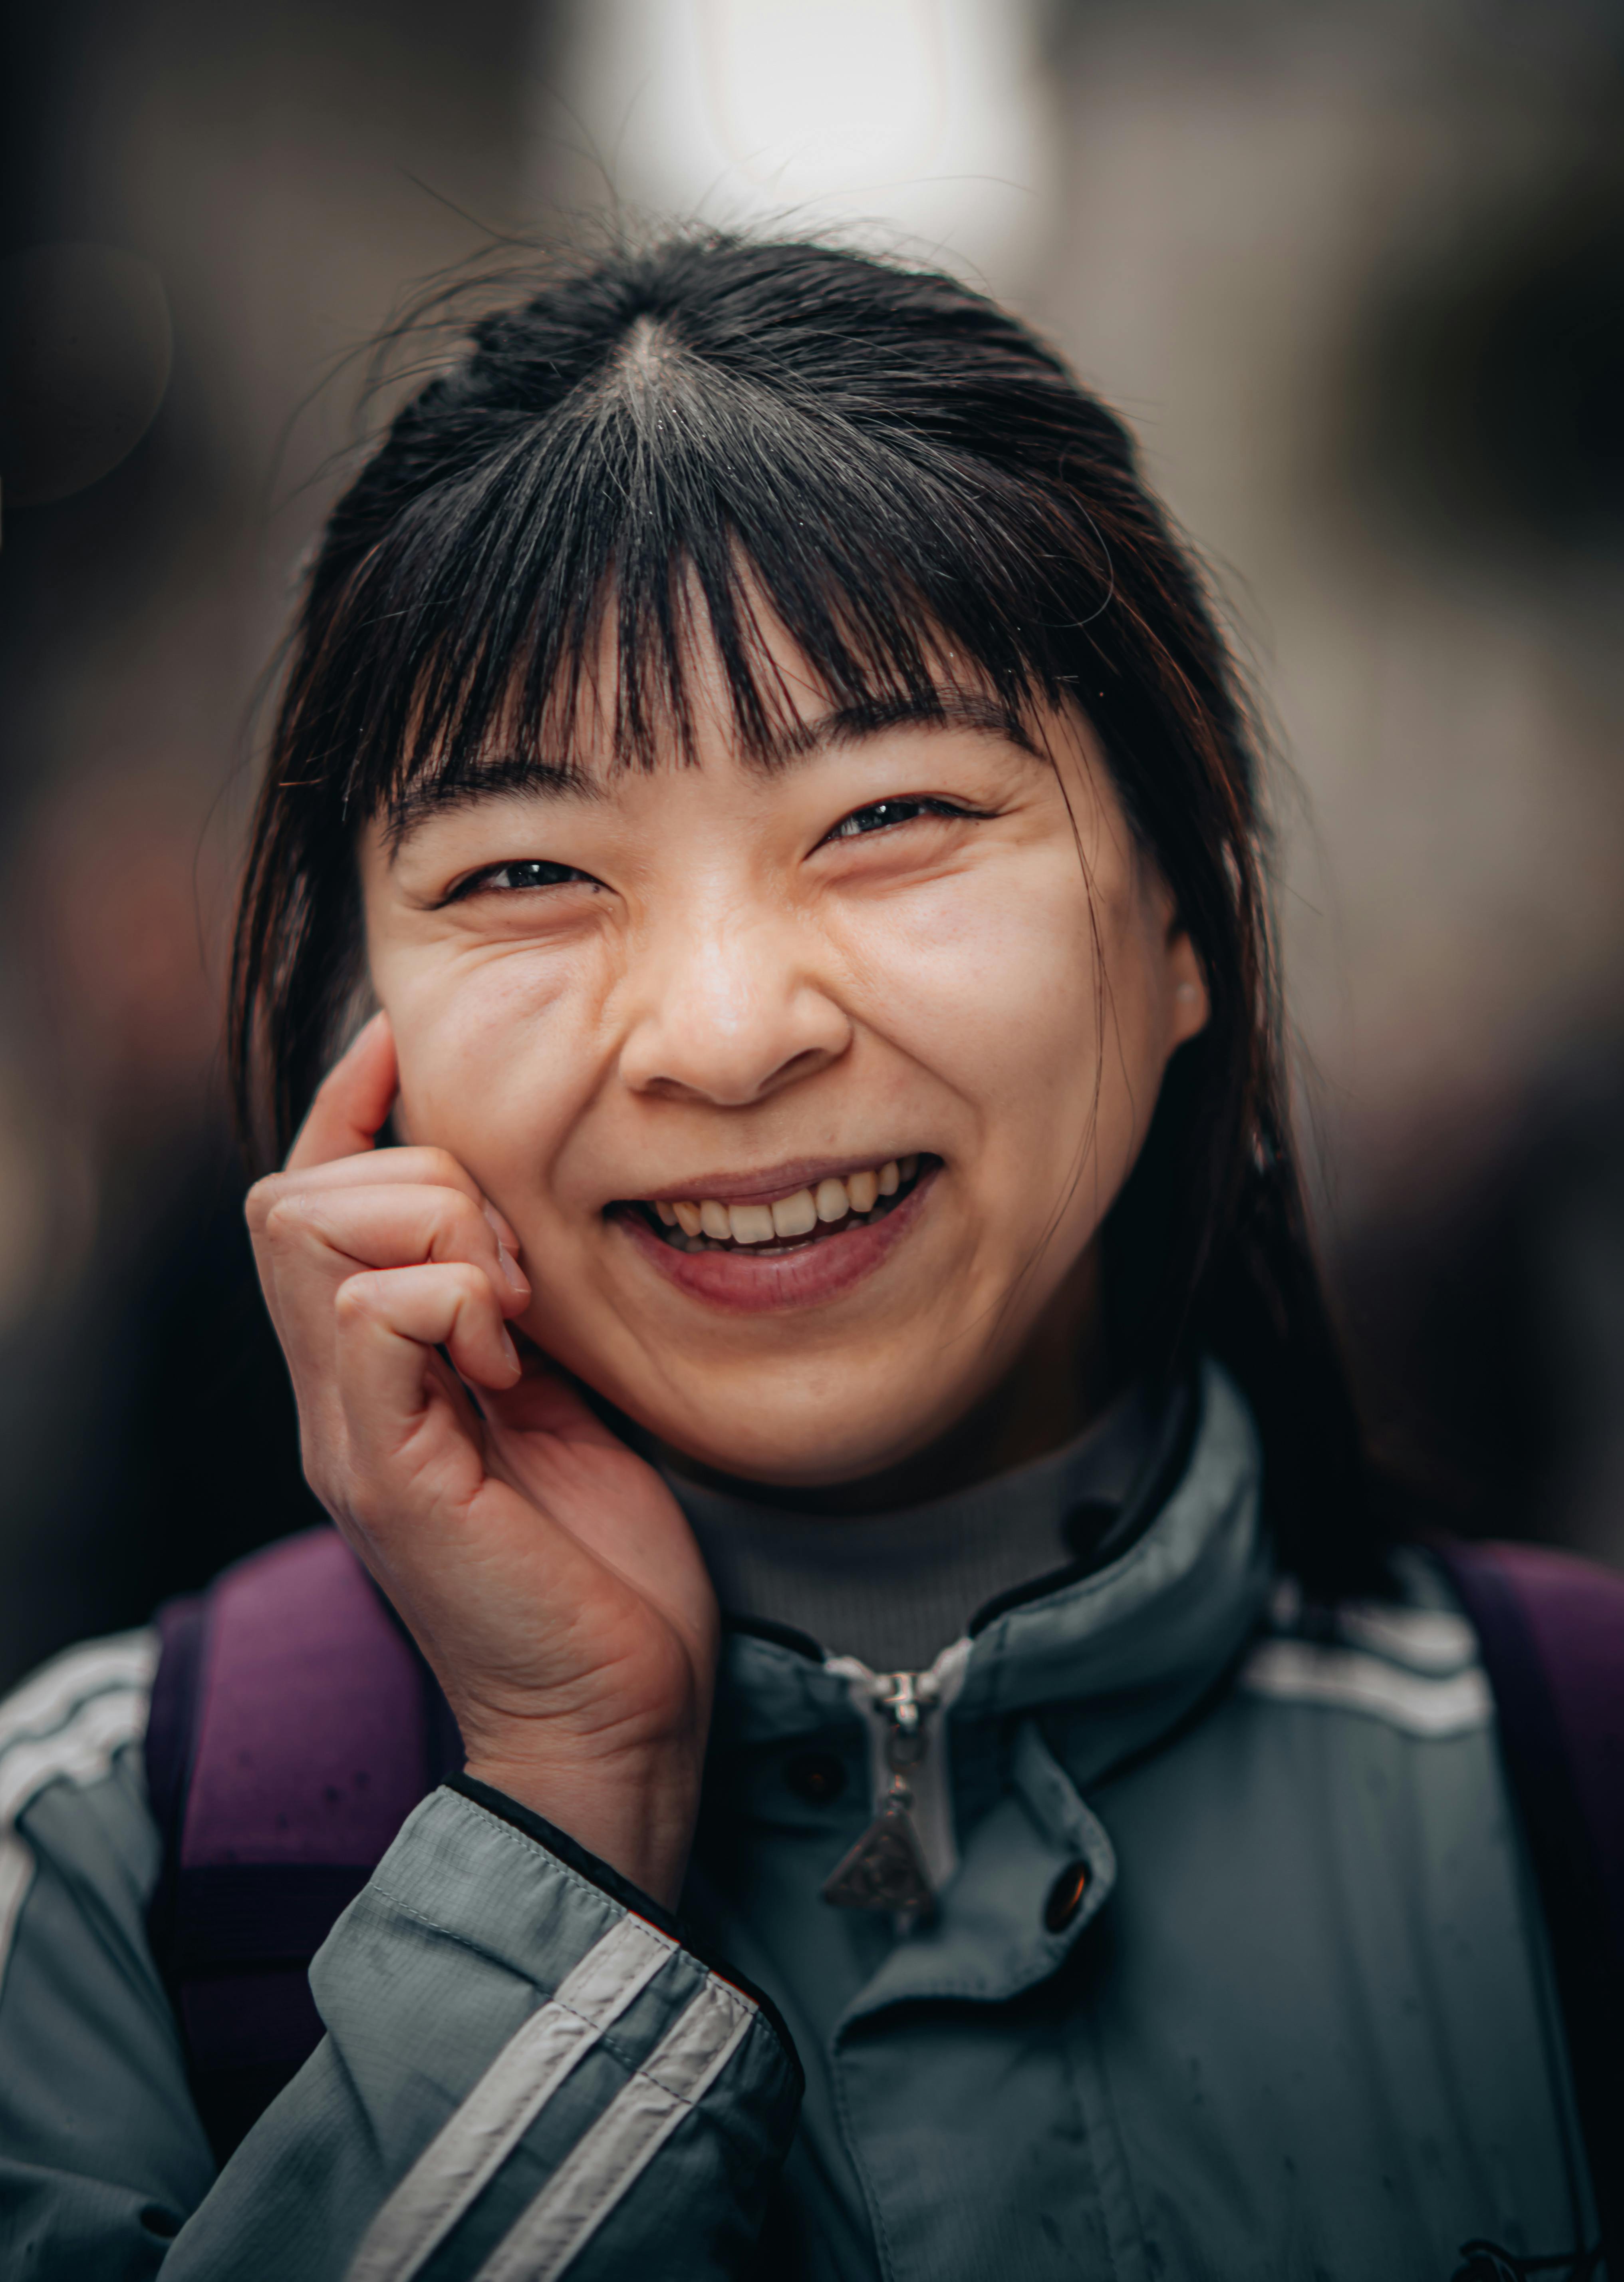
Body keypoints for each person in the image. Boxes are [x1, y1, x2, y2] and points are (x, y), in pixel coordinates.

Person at [0, 231, 1608, 2282]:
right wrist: (564, 1815)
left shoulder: (1567, 1789)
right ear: (361, 1021)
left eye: (888, 817)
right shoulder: (91, 1869)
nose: (732, 1030)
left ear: (1189, 921)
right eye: (524, 872)